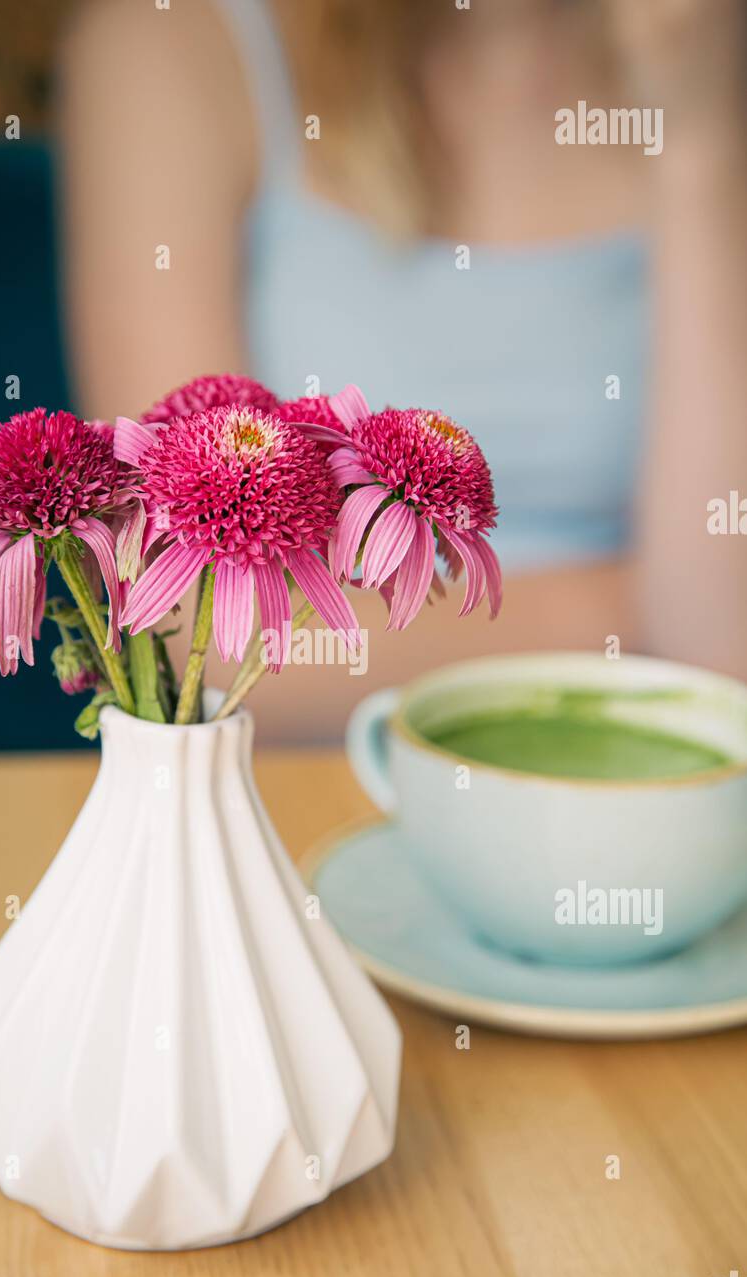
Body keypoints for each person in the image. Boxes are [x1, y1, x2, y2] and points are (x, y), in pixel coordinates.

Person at [59, 0, 747, 742]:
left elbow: (725, 652)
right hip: (301, 803)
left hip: (672, 783)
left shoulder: (708, 67)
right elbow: (191, 624)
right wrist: (652, 616)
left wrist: (700, 143)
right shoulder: (171, 42)